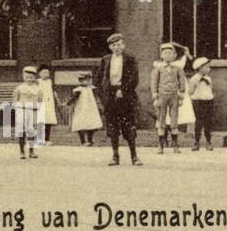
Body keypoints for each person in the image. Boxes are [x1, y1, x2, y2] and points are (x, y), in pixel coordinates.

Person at [98, 33, 142, 166]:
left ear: (123, 45)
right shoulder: (106, 60)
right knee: (112, 126)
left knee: (128, 125)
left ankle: (134, 156)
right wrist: (103, 94)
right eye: (113, 45)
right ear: (110, 47)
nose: (117, 47)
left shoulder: (130, 58)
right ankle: (115, 155)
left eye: (119, 44)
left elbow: (134, 77)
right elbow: (99, 78)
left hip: (125, 95)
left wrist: (122, 90)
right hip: (109, 96)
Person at [151, 42, 187, 154]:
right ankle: (160, 145)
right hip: (162, 96)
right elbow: (154, 83)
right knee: (161, 119)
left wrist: (181, 95)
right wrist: (155, 96)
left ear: (174, 56)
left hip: (174, 96)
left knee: (174, 119)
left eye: (170, 53)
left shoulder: (178, 69)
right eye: (165, 53)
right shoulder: (158, 69)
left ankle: (175, 145)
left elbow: (182, 82)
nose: (167, 56)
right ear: (161, 55)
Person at [12, 66, 42, 160]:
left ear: (34, 78)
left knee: (31, 131)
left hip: (32, 111)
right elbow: (15, 100)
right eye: (27, 77)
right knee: (22, 131)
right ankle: (21, 151)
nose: (29, 79)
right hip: (22, 110)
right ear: (23, 77)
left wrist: (38, 109)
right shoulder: (19, 88)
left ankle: (31, 151)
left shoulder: (38, 89)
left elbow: (40, 101)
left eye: (31, 77)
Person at [187, 58, 215, 150]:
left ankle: (208, 142)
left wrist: (210, 97)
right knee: (199, 122)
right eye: (207, 67)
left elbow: (210, 89)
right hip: (198, 102)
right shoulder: (194, 78)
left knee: (208, 122)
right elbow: (190, 91)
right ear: (200, 68)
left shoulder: (208, 78)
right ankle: (196, 142)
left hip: (208, 101)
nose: (209, 69)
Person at [69, 72, 102, 145]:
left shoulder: (92, 89)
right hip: (81, 108)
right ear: (80, 81)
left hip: (91, 108)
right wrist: (68, 103)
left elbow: (97, 96)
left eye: (88, 80)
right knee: (81, 124)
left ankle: (90, 140)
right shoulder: (78, 90)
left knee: (91, 124)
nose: (87, 82)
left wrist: (99, 103)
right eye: (84, 80)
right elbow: (73, 98)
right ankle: (83, 141)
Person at [36, 66, 59, 144]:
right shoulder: (37, 82)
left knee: (48, 122)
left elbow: (54, 92)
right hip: (40, 103)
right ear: (39, 74)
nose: (46, 74)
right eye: (44, 72)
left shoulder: (50, 82)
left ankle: (47, 139)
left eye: (47, 73)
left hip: (49, 104)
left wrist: (58, 101)